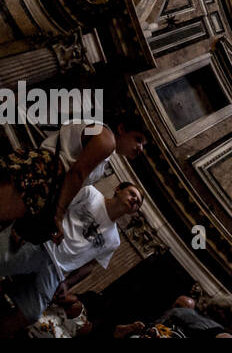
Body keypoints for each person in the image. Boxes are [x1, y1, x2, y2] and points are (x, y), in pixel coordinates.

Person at [0, 181, 141, 331]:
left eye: (138, 202)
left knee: (31, 313)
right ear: (118, 189)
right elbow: (56, 207)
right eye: (132, 193)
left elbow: (91, 265)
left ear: (134, 211)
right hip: (43, 246)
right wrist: (31, 227)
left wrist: (67, 283)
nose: (134, 200)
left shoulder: (114, 240)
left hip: (56, 271)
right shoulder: (90, 193)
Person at [41, 112, 148, 243]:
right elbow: (77, 174)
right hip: (41, 175)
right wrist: (58, 215)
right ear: (121, 129)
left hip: (44, 180)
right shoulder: (106, 139)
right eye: (138, 139)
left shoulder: (104, 139)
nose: (141, 148)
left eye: (143, 144)